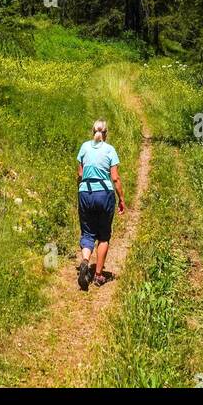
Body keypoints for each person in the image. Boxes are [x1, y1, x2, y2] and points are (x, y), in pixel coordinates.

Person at [76, 119, 125, 289]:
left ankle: (85, 261)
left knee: (87, 232)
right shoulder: (110, 150)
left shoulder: (84, 147)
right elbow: (115, 178)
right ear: (106, 133)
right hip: (104, 194)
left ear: (93, 132)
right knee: (103, 235)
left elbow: (80, 175)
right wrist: (121, 199)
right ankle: (98, 275)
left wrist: (81, 192)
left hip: (85, 193)